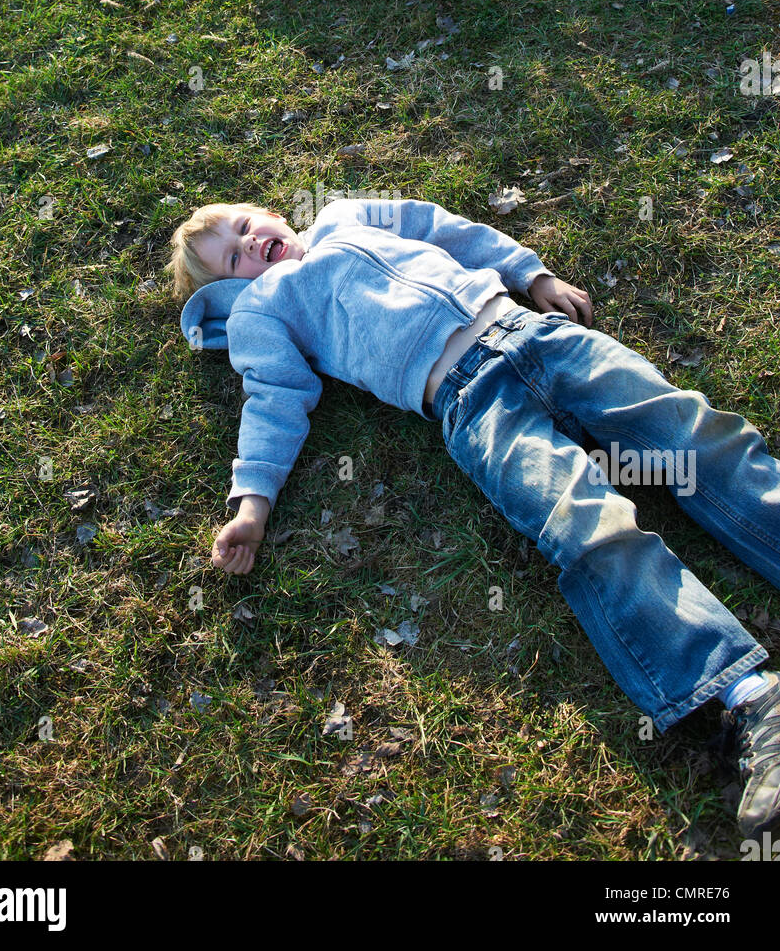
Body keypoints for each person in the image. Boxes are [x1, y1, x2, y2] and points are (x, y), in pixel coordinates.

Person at [167, 194, 780, 839]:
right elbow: (273, 401)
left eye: (245, 227)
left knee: (697, 439)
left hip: (540, 337)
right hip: (473, 404)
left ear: (270, 213)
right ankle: (750, 701)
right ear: (233, 294)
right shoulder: (264, 310)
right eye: (232, 260)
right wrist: (253, 504)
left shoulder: (343, 217)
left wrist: (533, 276)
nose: (249, 245)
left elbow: (447, 229)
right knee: (586, 529)